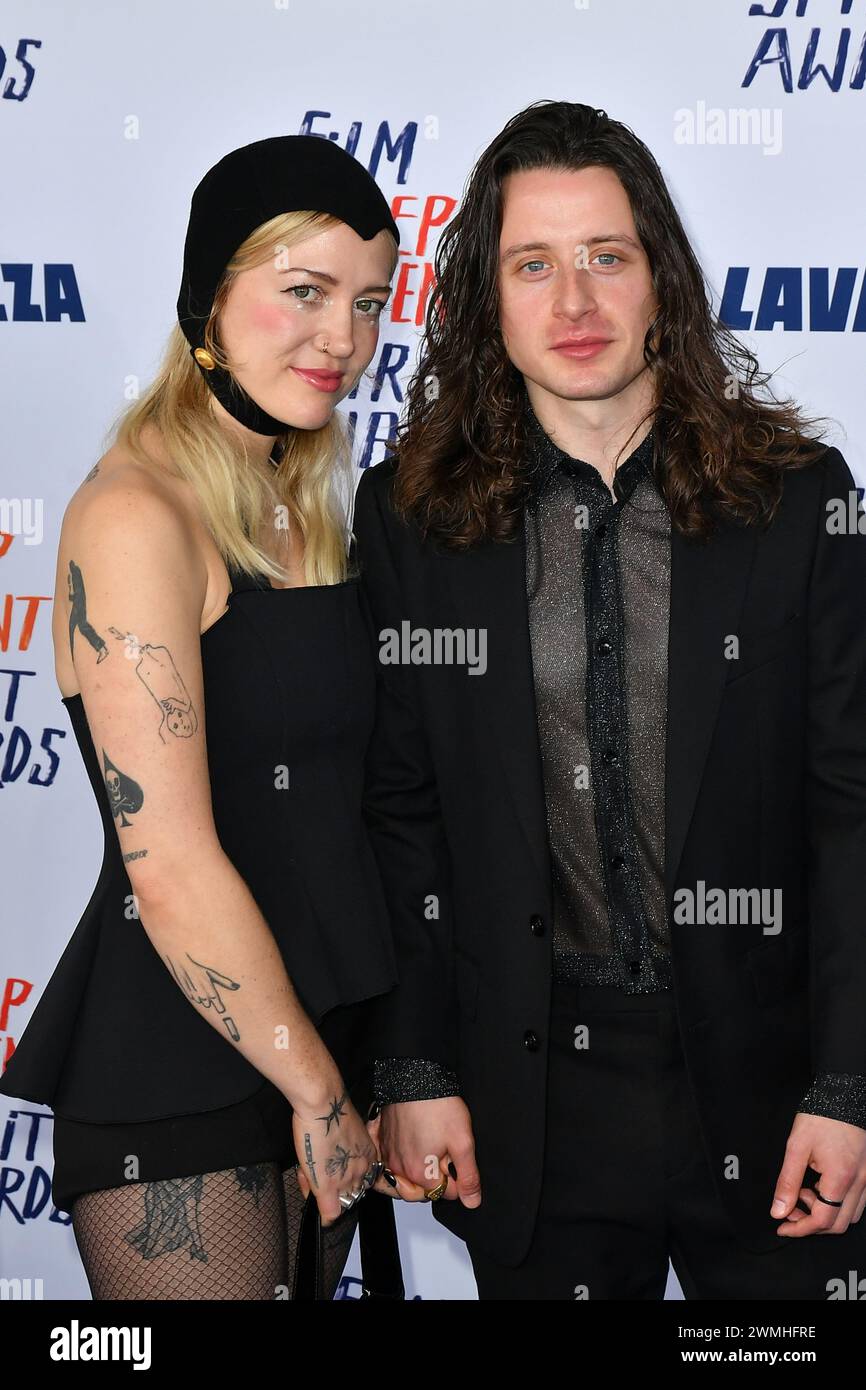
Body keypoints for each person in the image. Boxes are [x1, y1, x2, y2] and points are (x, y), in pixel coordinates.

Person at [353, 100, 866, 1299]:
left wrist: (845, 1084)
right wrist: (413, 1064)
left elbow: (850, 807)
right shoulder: (412, 519)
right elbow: (400, 810)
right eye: (532, 264)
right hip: (532, 1106)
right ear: (487, 297)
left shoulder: (795, 501)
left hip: (769, 1095)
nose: (572, 304)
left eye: (605, 258)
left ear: (660, 281)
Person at [0, 133, 423, 1301]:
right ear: (206, 303)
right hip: (180, 1073)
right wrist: (319, 1093)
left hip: (318, 1040)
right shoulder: (136, 514)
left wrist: (345, 1071)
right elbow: (173, 863)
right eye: (301, 292)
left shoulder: (307, 504)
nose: (340, 338)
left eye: (367, 302)